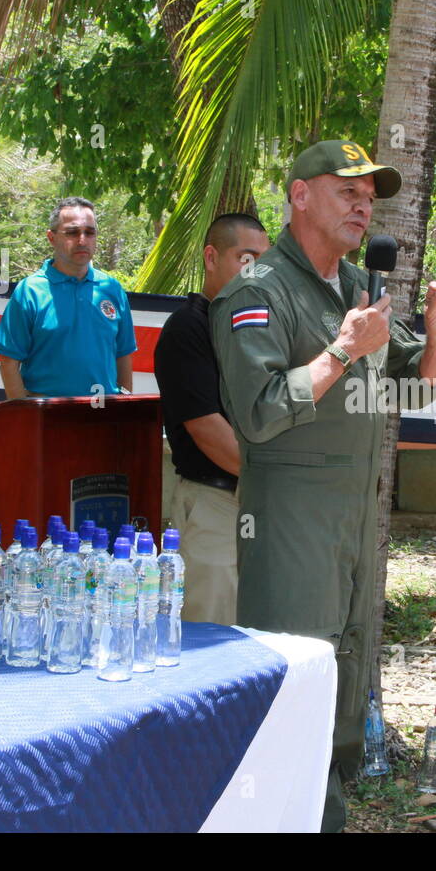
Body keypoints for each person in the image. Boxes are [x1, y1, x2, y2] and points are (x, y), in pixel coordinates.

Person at [209, 139, 436, 830]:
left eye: (370, 195)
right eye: (346, 189)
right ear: (298, 195)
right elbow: (258, 413)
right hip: (290, 522)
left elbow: (420, 384)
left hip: (353, 522)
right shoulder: (259, 292)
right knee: (293, 683)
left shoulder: (358, 288)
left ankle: (327, 816)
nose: (362, 204)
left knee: (341, 684)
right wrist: (342, 349)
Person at [155, 213, 270, 625]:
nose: (257, 272)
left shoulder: (254, 330)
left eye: (265, 261)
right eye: (246, 258)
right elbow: (206, 428)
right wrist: (278, 477)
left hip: (263, 506)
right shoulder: (189, 328)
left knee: (262, 645)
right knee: (213, 643)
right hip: (215, 505)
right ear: (211, 257)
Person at [0, 197, 136, 398]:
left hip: (103, 415)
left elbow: (123, 357)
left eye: (90, 232)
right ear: (51, 238)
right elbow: (8, 363)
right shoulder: (30, 291)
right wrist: (26, 417)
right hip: (48, 418)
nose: (82, 240)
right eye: (72, 232)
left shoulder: (111, 289)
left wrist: (124, 409)